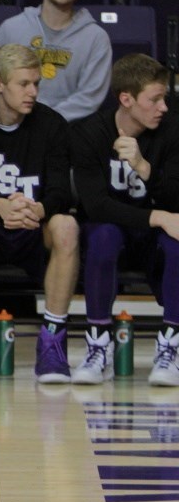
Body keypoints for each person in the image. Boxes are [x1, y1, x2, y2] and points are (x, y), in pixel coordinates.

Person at [0, 44, 79, 384]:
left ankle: (52, 343)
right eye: (24, 84)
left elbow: (61, 193)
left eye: (36, 83)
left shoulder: (52, 125)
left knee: (66, 226)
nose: (33, 92)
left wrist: (39, 208)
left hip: (34, 226)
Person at [70, 53, 179, 386]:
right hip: (112, 229)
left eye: (165, 98)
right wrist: (156, 215)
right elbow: (96, 205)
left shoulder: (172, 131)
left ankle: (171, 346)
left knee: (177, 240)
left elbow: (176, 196)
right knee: (103, 236)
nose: (163, 107)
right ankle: (98, 344)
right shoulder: (90, 132)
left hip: (151, 237)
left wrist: (146, 169)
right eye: (155, 99)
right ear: (126, 99)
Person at [0, 0, 112, 122]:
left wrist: (47, 123)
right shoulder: (11, 28)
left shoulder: (96, 38)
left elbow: (90, 97)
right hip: (13, 125)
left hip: (67, 131)